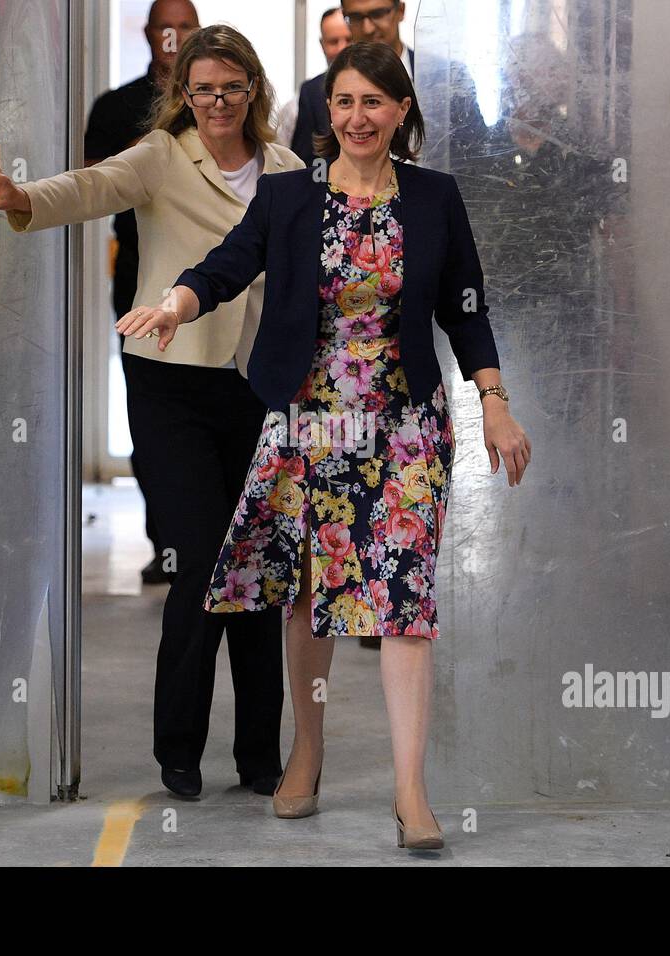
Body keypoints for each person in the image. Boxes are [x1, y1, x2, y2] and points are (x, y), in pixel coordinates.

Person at [117, 42, 531, 851]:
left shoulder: (436, 199)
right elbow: (228, 264)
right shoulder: (289, 198)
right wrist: (177, 302)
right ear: (325, 112)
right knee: (312, 596)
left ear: (402, 112)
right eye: (344, 103)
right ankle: (306, 752)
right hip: (307, 423)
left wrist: (494, 400)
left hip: (406, 424)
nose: (358, 117)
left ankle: (411, 792)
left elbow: (466, 307)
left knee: (404, 601)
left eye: (375, 102)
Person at [0, 25, 306, 800]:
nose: (216, 101)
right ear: (182, 94)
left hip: (261, 390)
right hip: (172, 380)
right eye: (202, 89)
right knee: (200, 560)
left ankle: (260, 756)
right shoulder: (164, 154)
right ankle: (179, 750)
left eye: (230, 86)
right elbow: (94, 187)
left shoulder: (289, 169)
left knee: (258, 570)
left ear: (252, 88)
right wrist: (24, 198)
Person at [84, 0, 200, 586]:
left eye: (186, 27)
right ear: (150, 34)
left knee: (211, 407)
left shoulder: (218, 106)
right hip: (138, 276)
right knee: (151, 409)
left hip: (215, 281)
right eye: (165, 27)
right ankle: (168, 544)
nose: (175, 38)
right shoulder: (117, 108)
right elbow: (90, 184)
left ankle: (212, 541)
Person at [290, 0, 487, 169]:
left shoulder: (447, 77)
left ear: (400, 10)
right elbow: (308, 171)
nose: (368, 27)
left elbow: (477, 153)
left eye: (378, 13)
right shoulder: (315, 91)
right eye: (356, 17)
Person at [275, 7, 350, 148]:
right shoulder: (307, 95)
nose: (342, 48)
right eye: (334, 42)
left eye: (349, 39)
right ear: (322, 45)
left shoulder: (383, 83)